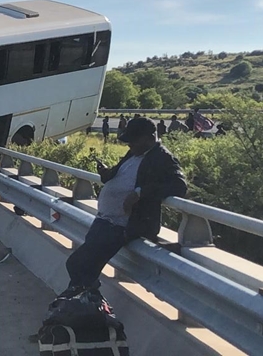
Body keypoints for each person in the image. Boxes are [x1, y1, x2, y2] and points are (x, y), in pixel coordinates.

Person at [61, 117, 187, 295]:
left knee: (77, 264)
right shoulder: (134, 153)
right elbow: (120, 174)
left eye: (134, 140)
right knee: (82, 267)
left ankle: (85, 301)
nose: (130, 144)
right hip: (105, 220)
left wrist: (139, 193)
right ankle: (84, 301)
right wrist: (106, 173)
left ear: (150, 138)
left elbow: (179, 185)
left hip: (124, 226)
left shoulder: (162, 157)